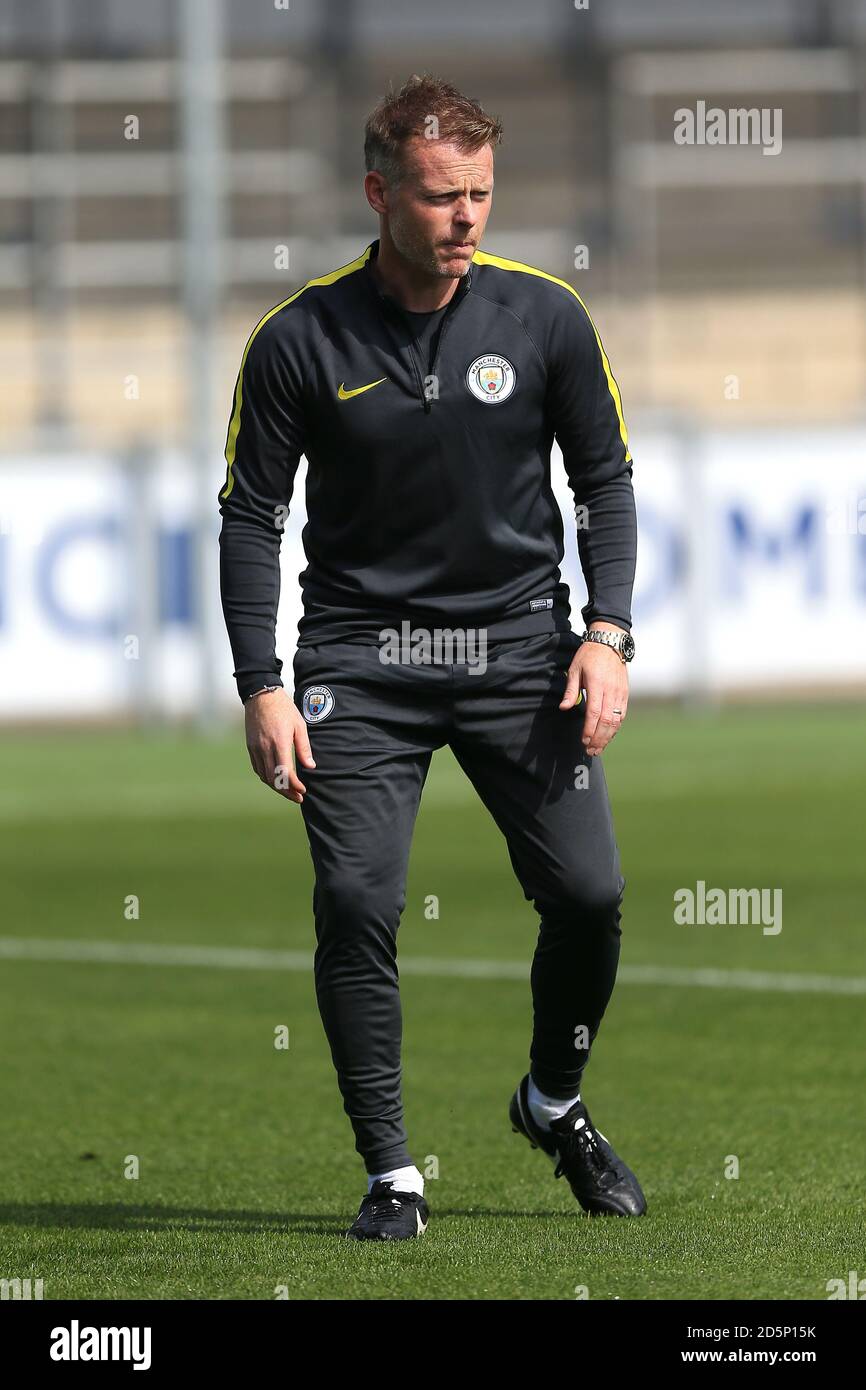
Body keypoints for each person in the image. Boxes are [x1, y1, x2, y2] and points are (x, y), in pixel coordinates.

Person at [218, 73, 645, 1240]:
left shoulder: (545, 316)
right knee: (356, 899)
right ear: (379, 192)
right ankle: (391, 1174)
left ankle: (551, 1103)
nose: (467, 217)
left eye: (482, 195)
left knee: (591, 895)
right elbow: (250, 515)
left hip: (518, 649)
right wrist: (262, 681)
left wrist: (604, 635)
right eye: (442, 195)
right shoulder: (299, 338)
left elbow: (603, 481)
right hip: (360, 659)